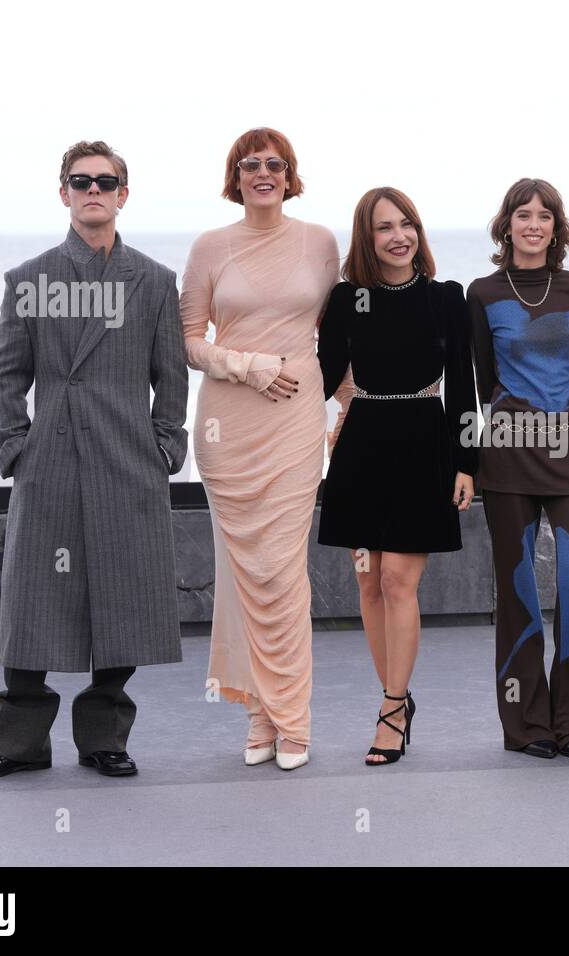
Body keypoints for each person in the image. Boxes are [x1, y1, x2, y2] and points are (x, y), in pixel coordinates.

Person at [0, 141, 188, 779]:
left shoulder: (154, 280)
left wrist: (166, 447)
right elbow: (7, 374)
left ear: (123, 194)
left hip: (127, 460)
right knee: (33, 603)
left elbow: (171, 380)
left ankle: (103, 737)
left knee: (127, 600)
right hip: (50, 461)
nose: (94, 190)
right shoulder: (28, 279)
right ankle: (18, 744)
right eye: (81, 181)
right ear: (63, 192)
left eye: (106, 181)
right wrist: (14, 447)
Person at [180, 128, 339, 771]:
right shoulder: (210, 247)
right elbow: (189, 342)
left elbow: (339, 334)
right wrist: (248, 366)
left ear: (290, 174)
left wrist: (346, 412)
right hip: (228, 429)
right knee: (241, 576)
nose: (264, 173)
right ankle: (259, 717)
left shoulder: (321, 243)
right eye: (252, 165)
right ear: (236, 176)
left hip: (296, 423)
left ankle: (293, 719)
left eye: (276, 164)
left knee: (282, 573)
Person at [318, 187, 477, 765]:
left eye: (406, 224)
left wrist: (467, 462)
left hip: (423, 444)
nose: (398, 236)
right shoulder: (346, 300)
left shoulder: (444, 299)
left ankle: (391, 707)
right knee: (367, 580)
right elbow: (321, 376)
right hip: (360, 446)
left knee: (397, 583)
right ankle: (398, 699)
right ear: (368, 237)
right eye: (384, 227)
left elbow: (464, 384)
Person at [467, 179, 569, 759]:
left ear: (557, 227)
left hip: (568, 451)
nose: (533, 224)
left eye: (544, 216)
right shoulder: (481, 292)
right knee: (518, 589)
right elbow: (480, 381)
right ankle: (527, 725)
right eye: (523, 215)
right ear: (507, 225)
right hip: (506, 454)